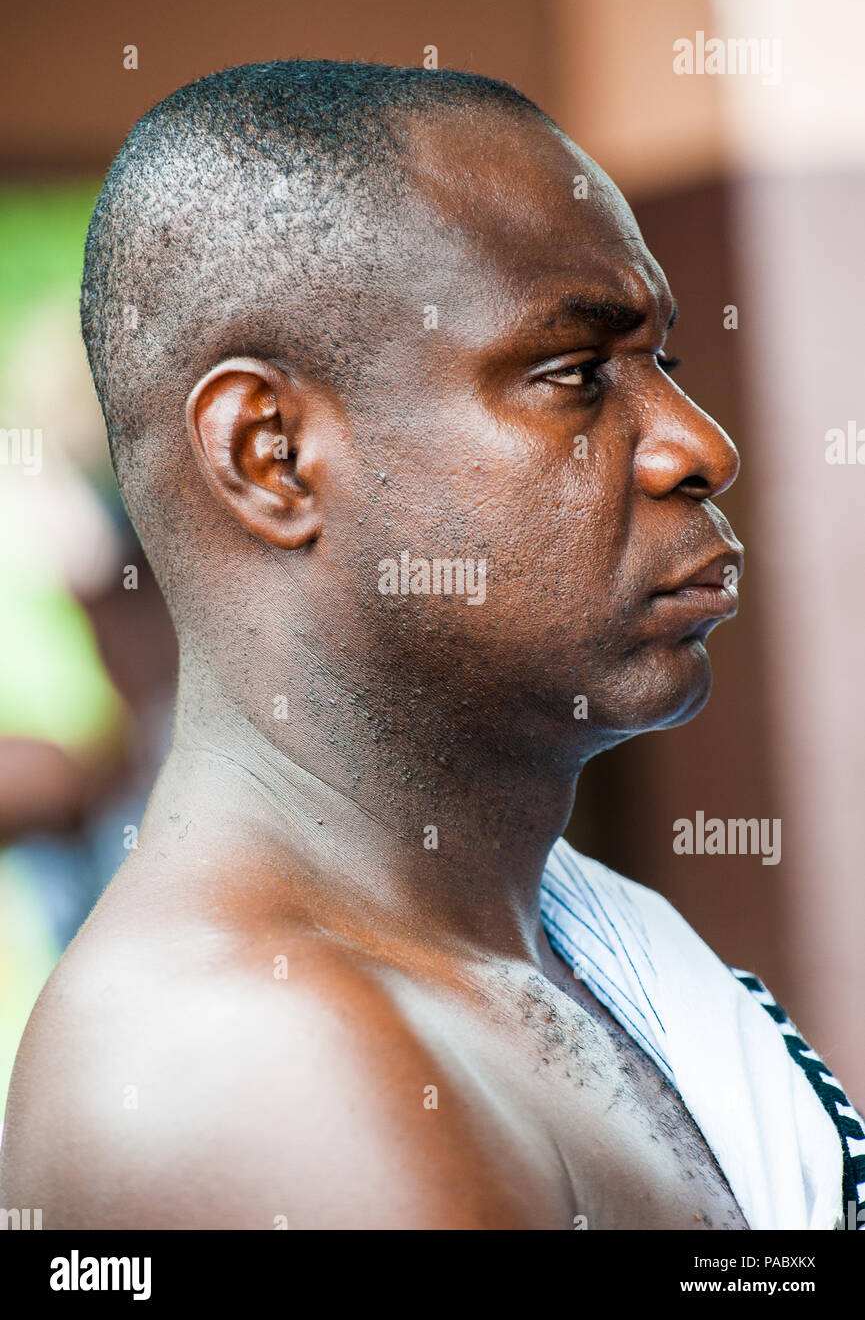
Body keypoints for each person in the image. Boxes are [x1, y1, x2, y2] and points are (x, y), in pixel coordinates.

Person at [1, 61, 861, 1231]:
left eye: (665, 362)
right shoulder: (258, 1071)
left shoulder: (545, 941)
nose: (696, 445)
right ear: (273, 457)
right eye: (572, 374)